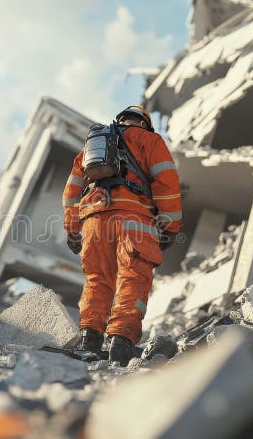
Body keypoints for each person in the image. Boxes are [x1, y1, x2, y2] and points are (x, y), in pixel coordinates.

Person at [62, 106, 183, 364]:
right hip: (134, 219)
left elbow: (71, 193)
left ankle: (89, 341)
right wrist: (170, 226)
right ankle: (120, 343)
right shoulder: (149, 140)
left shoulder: (91, 146)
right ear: (144, 124)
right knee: (133, 278)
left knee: (97, 281)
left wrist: (73, 229)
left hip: (95, 221)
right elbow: (167, 184)